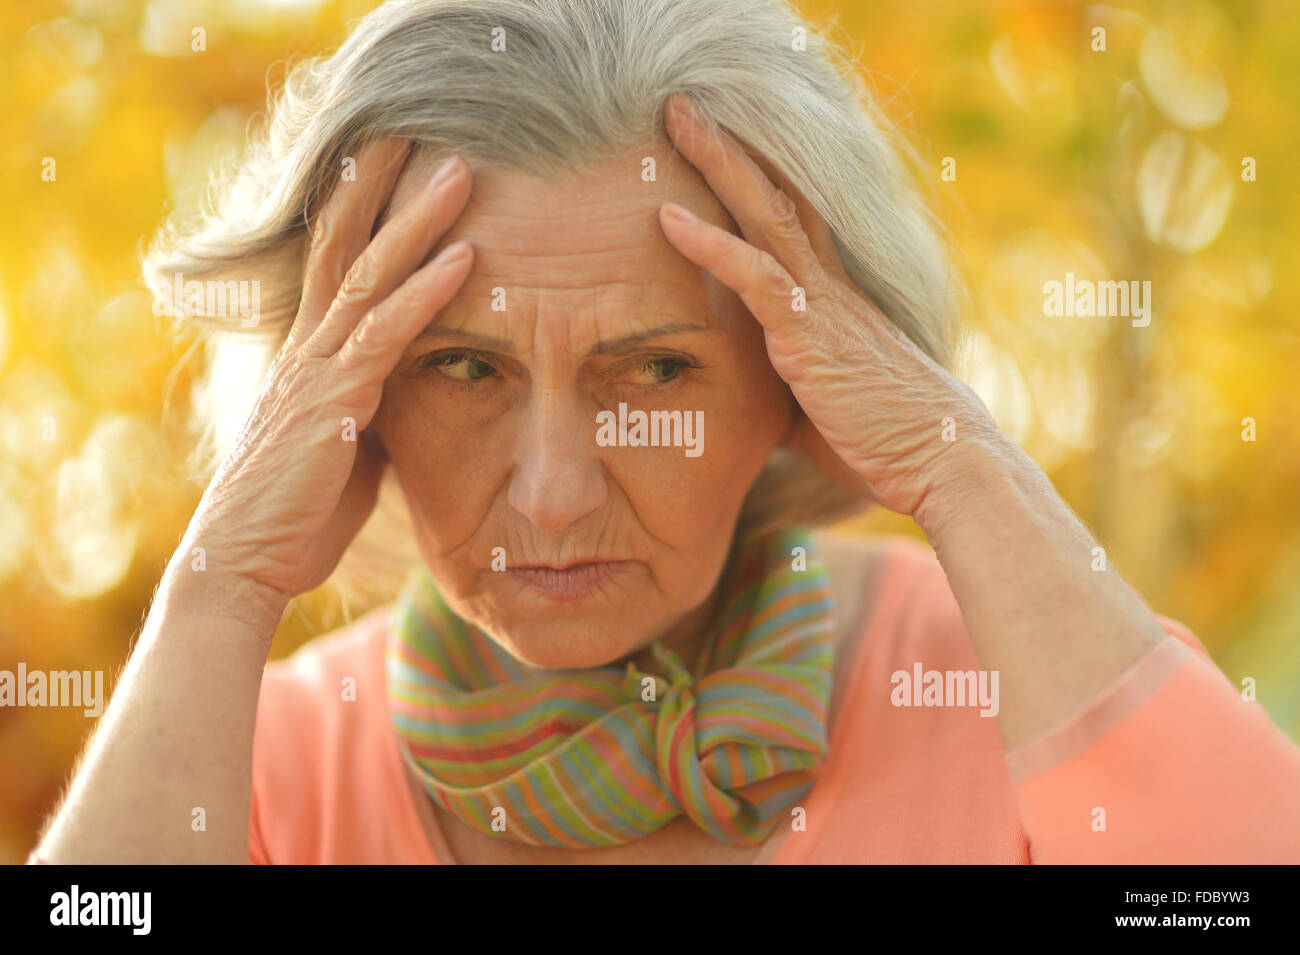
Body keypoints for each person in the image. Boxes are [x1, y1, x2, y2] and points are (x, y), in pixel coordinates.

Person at [32, 0, 1300, 864]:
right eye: (462, 365)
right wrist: (217, 590)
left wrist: (959, 466)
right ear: (343, 394)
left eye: (655, 369)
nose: (550, 495)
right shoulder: (270, 761)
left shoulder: (997, 678)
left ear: (805, 380)